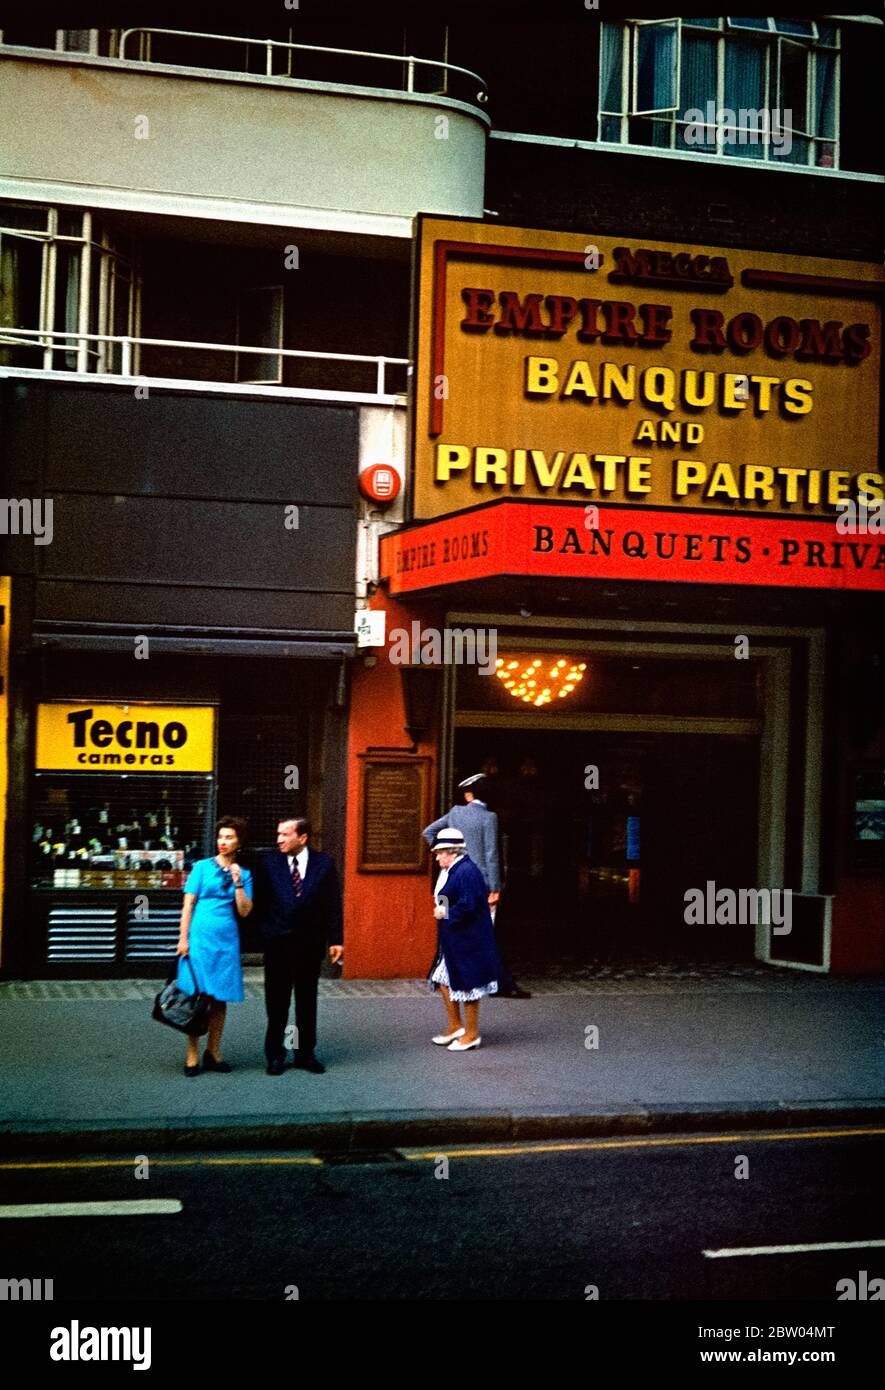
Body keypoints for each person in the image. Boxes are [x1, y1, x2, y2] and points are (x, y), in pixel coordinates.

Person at [423, 773, 530, 998]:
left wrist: (444, 852)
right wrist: (495, 887)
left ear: (468, 794)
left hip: (449, 879)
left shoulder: (454, 813)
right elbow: (491, 854)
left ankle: (444, 971)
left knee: (449, 921)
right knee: (485, 932)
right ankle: (496, 982)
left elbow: (428, 832)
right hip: (479, 883)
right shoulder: (489, 817)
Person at [256, 816, 343, 1075]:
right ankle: (275, 1055)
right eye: (278, 834)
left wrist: (336, 939)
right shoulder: (268, 863)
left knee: (306, 1001)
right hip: (277, 945)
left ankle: (305, 1054)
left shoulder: (324, 864)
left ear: (302, 838)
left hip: (309, 944)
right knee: (277, 1002)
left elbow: (333, 904)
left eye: (285, 834)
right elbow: (259, 903)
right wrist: (266, 933)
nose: (279, 839)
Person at [176, 816, 252, 1077]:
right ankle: (192, 1054)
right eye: (221, 837)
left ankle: (214, 1052)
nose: (223, 842)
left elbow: (244, 911)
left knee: (219, 999)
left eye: (229, 837)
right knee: (197, 998)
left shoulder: (245, 873)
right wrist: (183, 938)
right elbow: (188, 904)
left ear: (239, 842)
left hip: (226, 943)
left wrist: (239, 882)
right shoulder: (201, 868)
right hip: (199, 939)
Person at [427, 827, 500, 1052]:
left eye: (440, 852)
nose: (437, 857)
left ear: (452, 851)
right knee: (443, 979)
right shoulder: (456, 869)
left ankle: (472, 1034)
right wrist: (444, 908)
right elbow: (450, 896)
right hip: (456, 938)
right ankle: (456, 1026)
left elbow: (468, 905)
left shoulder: (466, 871)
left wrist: (445, 912)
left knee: (468, 985)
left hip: (468, 940)